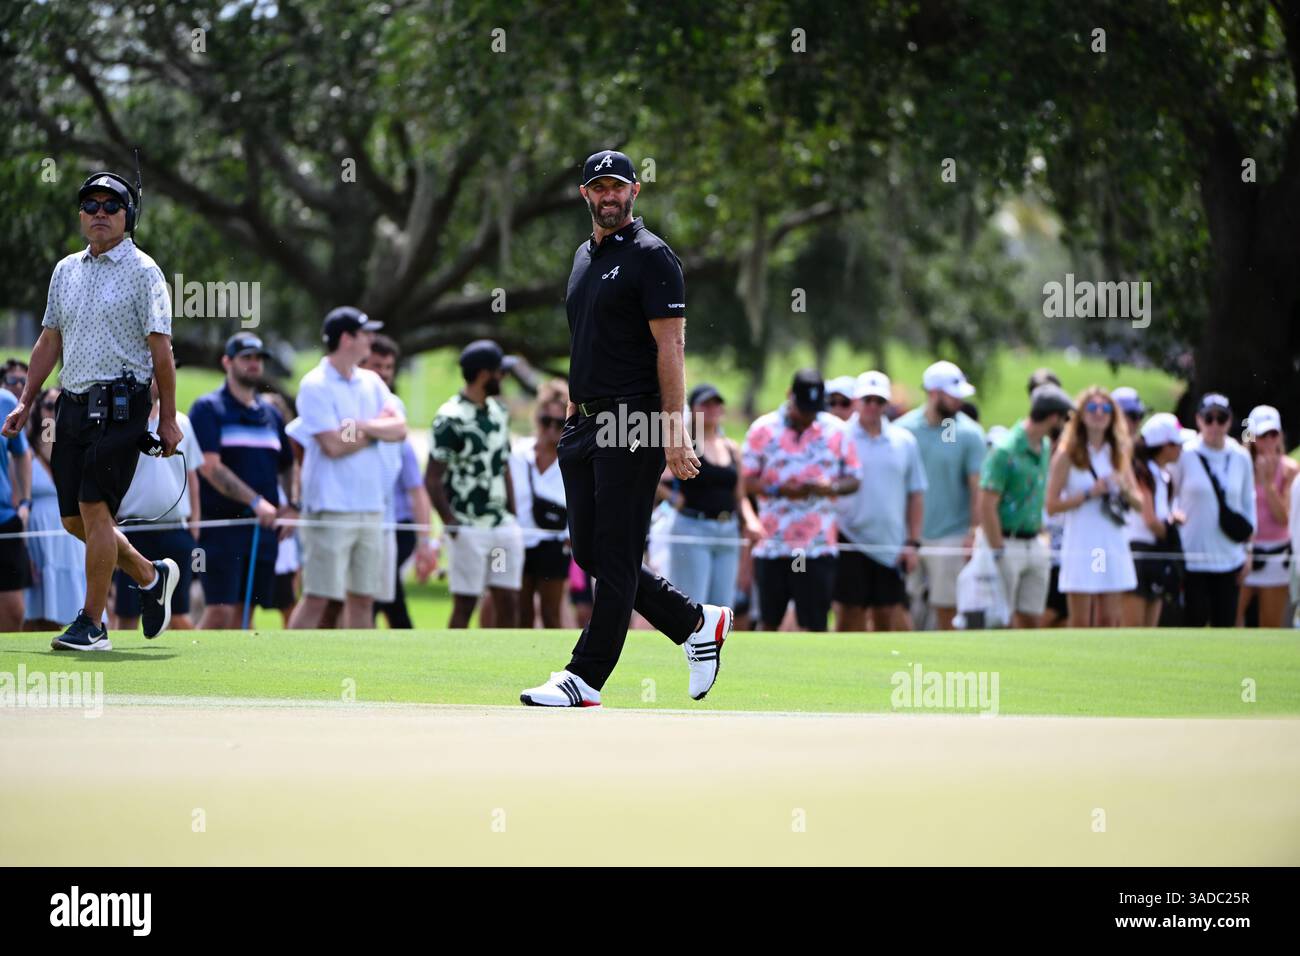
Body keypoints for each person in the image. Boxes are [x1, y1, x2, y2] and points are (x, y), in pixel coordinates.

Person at [520, 150, 731, 707]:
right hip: (583, 422)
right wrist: (571, 413)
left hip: (633, 420)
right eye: (599, 187)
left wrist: (675, 431)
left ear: (634, 191)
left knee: (613, 555)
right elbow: (585, 344)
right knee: (589, 550)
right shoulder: (582, 258)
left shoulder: (653, 257)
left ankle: (584, 678)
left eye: (618, 186)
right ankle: (694, 623)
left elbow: (672, 345)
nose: (609, 195)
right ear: (585, 195)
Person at [2, 170, 182, 651]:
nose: (99, 214)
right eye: (91, 205)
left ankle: (93, 624)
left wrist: (167, 417)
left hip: (123, 406)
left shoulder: (145, 272)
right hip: (73, 405)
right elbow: (49, 340)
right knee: (73, 519)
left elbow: (161, 350)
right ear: (81, 214)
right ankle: (149, 574)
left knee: (94, 507)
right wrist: (25, 400)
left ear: (129, 216)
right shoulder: (65, 270)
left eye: (111, 206)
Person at [288, 307, 406, 629]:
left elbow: (399, 429)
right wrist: (374, 433)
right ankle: (284, 662)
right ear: (346, 338)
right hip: (330, 508)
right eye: (365, 333)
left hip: (369, 508)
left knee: (363, 598)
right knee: (317, 597)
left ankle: (360, 670)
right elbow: (333, 445)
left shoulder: (371, 382)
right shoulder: (315, 384)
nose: (372, 339)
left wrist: (359, 426)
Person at [189, 334, 297, 629]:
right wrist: (254, 501)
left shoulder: (271, 414)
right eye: (246, 357)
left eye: (258, 358)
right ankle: (193, 669)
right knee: (220, 610)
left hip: (262, 529)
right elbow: (210, 467)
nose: (254, 364)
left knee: (244, 611)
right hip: (221, 529)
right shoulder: (208, 409)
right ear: (227, 362)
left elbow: (288, 465)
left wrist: (292, 506)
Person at [743, 369, 861, 632]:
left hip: (816, 546)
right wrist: (779, 490)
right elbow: (746, 480)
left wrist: (828, 487)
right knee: (769, 621)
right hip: (773, 543)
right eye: (803, 409)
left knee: (816, 622)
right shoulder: (763, 429)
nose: (808, 417)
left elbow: (854, 479)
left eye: (813, 410)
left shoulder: (837, 431)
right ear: (789, 396)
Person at [426, 339, 523, 629]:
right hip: (467, 525)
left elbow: (503, 466)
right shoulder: (450, 418)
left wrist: (513, 514)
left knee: (508, 600)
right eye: (500, 372)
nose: (503, 377)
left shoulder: (499, 412)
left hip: (501, 525)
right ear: (484, 375)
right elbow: (432, 477)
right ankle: (450, 664)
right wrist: (450, 522)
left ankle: (504, 664)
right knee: (465, 604)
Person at [895, 360, 985, 630]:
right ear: (933, 393)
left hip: (951, 535)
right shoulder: (903, 430)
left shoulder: (970, 434)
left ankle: (945, 666)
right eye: (952, 394)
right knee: (902, 605)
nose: (958, 401)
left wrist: (972, 533)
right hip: (908, 535)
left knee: (946, 607)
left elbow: (976, 488)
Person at [833, 371, 926, 632]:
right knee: (850, 612)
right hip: (848, 537)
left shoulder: (904, 441)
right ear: (856, 401)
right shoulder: (839, 436)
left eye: (879, 400)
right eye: (867, 400)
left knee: (887, 613)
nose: (873, 406)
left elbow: (916, 493)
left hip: (890, 541)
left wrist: (912, 542)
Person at [111, 379, 202, 632]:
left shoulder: (182, 423)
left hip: (176, 530)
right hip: (133, 530)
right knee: (127, 612)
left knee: (180, 613)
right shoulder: (124, 423)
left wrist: (194, 526)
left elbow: (192, 476)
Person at [981, 383, 1074, 628]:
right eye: (1063, 418)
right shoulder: (1005, 450)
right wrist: (997, 549)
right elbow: (986, 505)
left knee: (1033, 618)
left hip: (1034, 542)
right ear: (1053, 417)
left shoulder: (1043, 447)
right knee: (1002, 620)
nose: (1064, 425)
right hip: (1006, 542)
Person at [360, 335, 437, 628]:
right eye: (376, 365)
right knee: (375, 597)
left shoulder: (396, 411)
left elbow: (416, 488)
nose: (383, 373)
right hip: (358, 518)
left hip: (395, 525)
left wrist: (424, 541)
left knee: (378, 594)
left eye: (389, 366)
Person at [666, 383, 764, 611]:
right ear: (694, 409)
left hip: (727, 530)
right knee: (693, 604)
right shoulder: (683, 444)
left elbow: (739, 496)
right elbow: (652, 480)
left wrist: (750, 521)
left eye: (716, 404)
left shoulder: (731, 448)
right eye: (705, 404)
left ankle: (715, 647)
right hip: (693, 527)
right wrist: (672, 498)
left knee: (722, 606)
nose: (712, 409)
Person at [1047, 387, 1140, 627]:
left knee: (1109, 619)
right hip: (1082, 541)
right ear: (1081, 415)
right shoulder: (1067, 454)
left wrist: (1122, 488)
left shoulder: (1119, 453)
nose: (1099, 413)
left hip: (1111, 540)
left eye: (1105, 408)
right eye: (1092, 408)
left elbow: (1139, 503)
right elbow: (1051, 505)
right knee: (1080, 621)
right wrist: (1088, 493)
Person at [1171, 394, 1257, 627]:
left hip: (1229, 557)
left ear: (1229, 422)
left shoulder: (1240, 456)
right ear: (1198, 420)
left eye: (1221, 418)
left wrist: (1248, 551)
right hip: (1193, 557)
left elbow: (1249, 503)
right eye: (1209, 418)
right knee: (1194, 622)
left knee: (1225, 624)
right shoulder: (1185, 454)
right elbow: (1171, 495)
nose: (1215, 425)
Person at [508, 380, 574, 628]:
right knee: (520, 610)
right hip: (519, 539)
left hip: (555, 542)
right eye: (547, 421)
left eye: (561, 423)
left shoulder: (572, 459)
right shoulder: (519, 454)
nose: (552, 429)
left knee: (551, 612)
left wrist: (572, 535)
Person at [23, 388, 88, 629]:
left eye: (58, 406)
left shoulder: (76, 450)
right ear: (39, 411)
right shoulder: (27, 452)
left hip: (70, 536)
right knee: (35, 611)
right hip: (38, 533)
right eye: (49, 406)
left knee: (69, 603)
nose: (53, 411)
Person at [1122, 413, 1184, 627]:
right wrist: (1172, 533)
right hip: (1139, 552)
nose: (1180, 449)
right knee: (1134, 631)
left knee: (1150, 631)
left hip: (1155, 552)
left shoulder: (1162, 474)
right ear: (1164, 445)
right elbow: (1149, 519)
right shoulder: (1142, 472)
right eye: (1176, 444)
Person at [1237, 405, 1297, 627]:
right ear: (1252, 437)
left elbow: (1285, 518)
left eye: (1274, 434)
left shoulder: (1290, 469)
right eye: (1263, 435)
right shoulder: (1239, 464)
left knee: (1269, 626)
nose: (1269, 440)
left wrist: (1269, 484)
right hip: (1243, 554)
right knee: (1230, 622)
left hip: (1276, 556)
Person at [0, 383, 33, 631]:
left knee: (13, 612)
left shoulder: (5, 401)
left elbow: (21, 454)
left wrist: (25, 503)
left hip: (5, 521)